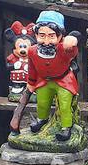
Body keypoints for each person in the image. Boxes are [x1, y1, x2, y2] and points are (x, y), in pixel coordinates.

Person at [21, 10, 81, 143]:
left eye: (51, 36)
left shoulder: (62, 49)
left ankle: (66, 127)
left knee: (65, 105)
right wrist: (31, 82)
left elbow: (72, 49)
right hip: (44, 81)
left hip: (64, 81)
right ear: (36, 35)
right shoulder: (32, 51)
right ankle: (42, 119)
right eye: (42, 36)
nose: (46, 41)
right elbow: (32, 68)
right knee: (42, 103)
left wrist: (72, 40)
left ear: (60, 37)